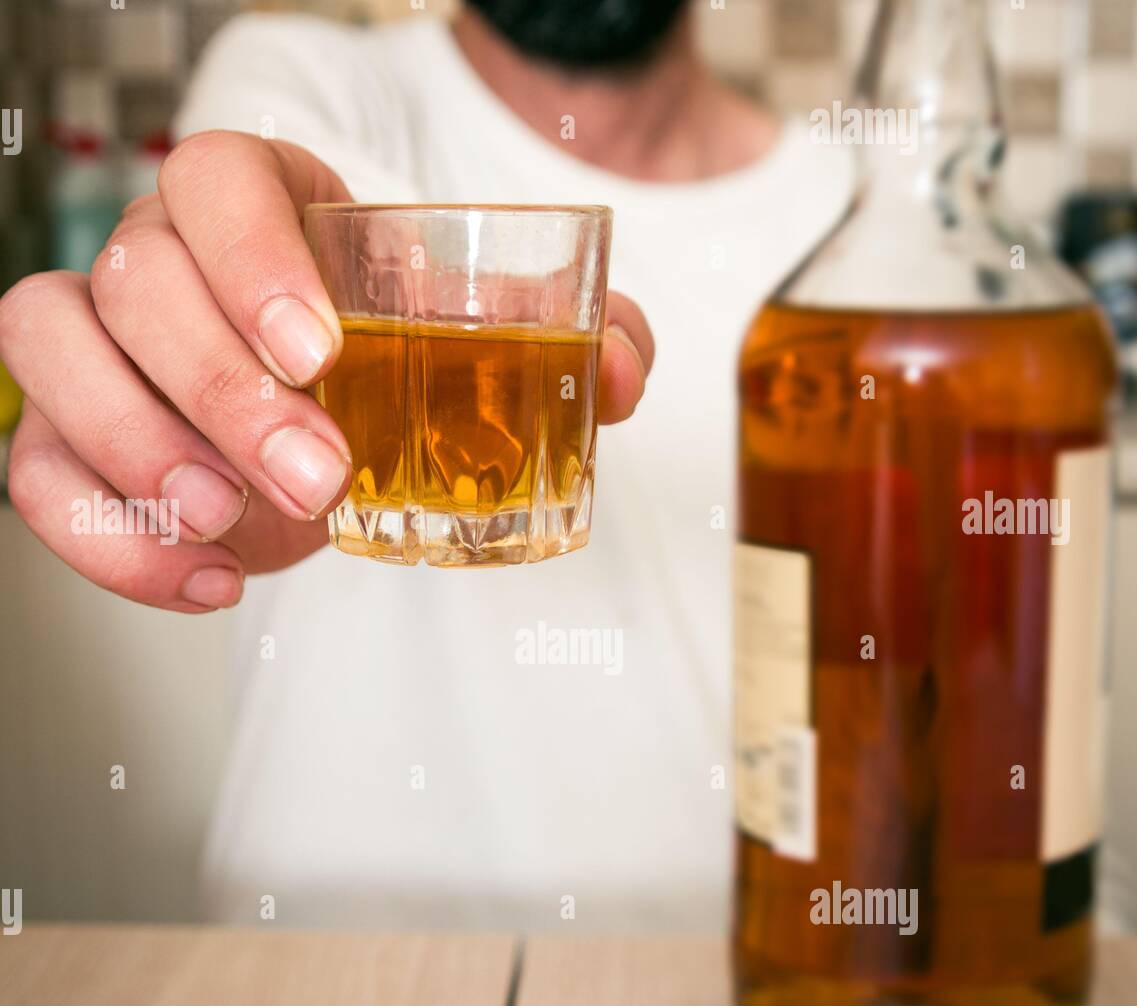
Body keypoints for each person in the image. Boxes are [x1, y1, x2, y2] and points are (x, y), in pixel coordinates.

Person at [0, 2, 852, 931]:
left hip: (706, 991)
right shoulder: (311, 82)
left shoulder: (863, 215)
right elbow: (317, 223)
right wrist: (206, 382)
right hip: (310, 989)